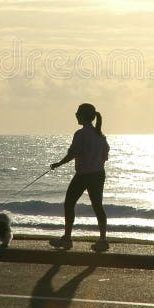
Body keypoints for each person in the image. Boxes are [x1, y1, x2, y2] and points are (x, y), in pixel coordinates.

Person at [49, 103, 110, 252]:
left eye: (77, 114)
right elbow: (105, 156)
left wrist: (58, 164)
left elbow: (72, 154)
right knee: (98, 207)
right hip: (98, 175)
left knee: (69, 204)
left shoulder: (80, 134)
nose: (76, 116)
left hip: (83, 175)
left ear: (83, 116)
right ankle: (102, 240)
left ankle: (67, 239)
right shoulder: (101, 136)